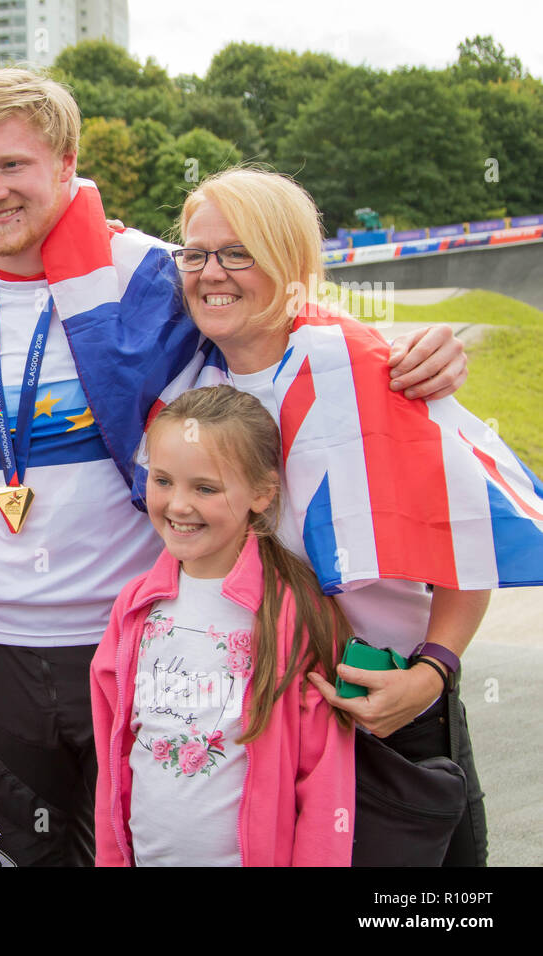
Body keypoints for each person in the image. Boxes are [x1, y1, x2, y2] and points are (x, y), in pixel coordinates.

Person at [0, 67, 469, 867]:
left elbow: (261, 303)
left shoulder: (150, 272)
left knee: (153, 847)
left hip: (144, 631)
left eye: (13, 165)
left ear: (66, 164)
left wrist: (407, 350)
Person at [168, 167, 543, 865]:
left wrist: (432, 674)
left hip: (387, 715)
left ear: (289, 264)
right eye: (195, 253)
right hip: (250, 725)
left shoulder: (374, 370)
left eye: (238, 252)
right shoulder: (181, 386)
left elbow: (468, 541)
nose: (210, 272)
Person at [92, 385, 354, 866]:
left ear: (262, 493)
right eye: (163, 480)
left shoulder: (295, 611)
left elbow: (324, 781)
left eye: (205, 488)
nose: (178, 505)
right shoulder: (132, 607)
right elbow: (113, 760)